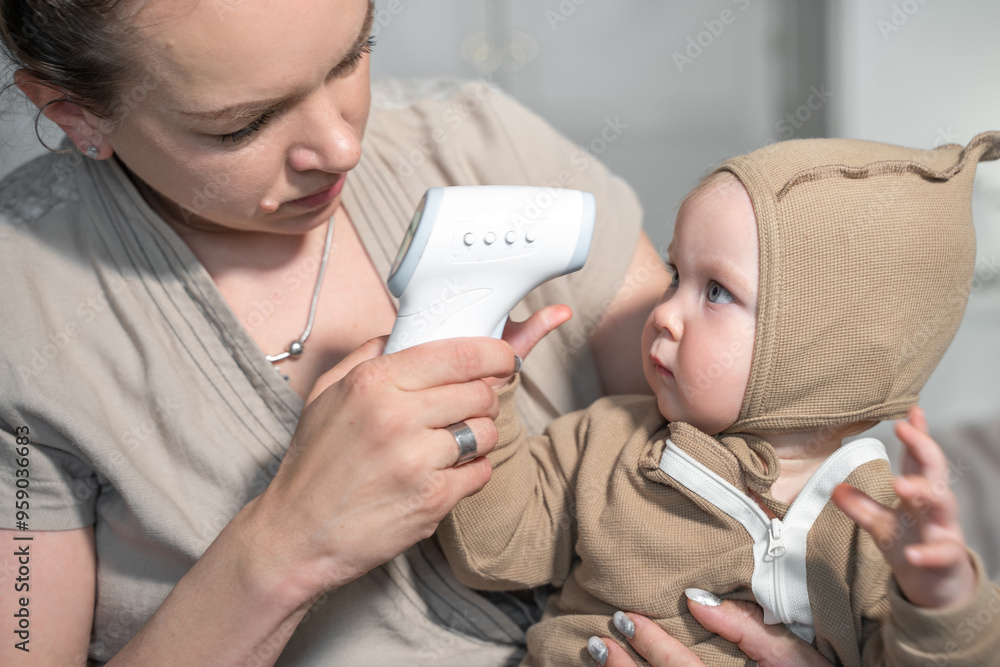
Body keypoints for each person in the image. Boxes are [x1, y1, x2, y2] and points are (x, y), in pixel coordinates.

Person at [0, 1, 835, 665]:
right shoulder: (23, 310)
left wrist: (811, 633)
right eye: (240, 124)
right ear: (74, 114)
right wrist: (287, 541)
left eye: (349, 55)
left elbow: (778, 454)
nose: (339, 144)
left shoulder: (482, 143)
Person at [438, 133, 1000, 666]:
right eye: (673, 273)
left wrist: (939, 604)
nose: (663, 313)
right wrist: (483, 393)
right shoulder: (607, 442)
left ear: (818, 349)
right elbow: (495, 548)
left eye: (715, 291)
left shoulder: (871, 527)